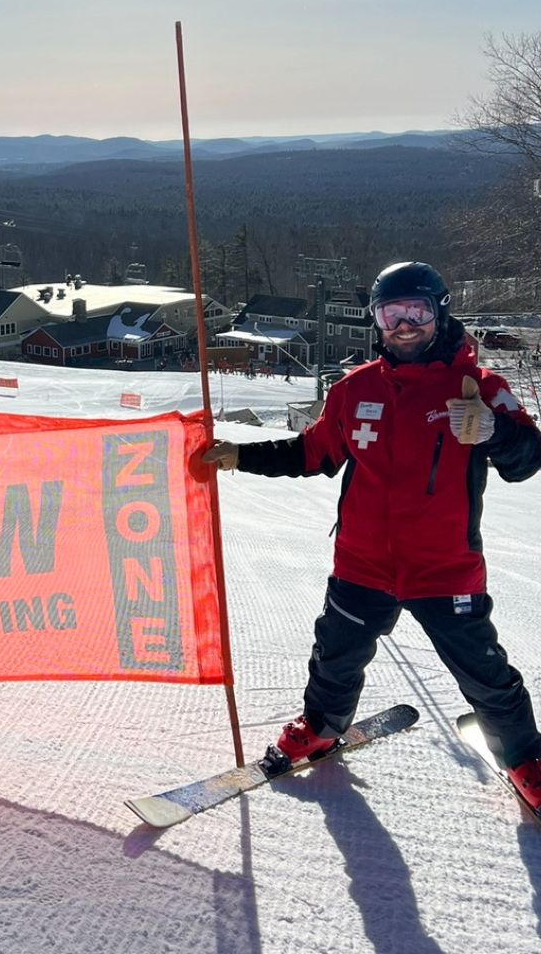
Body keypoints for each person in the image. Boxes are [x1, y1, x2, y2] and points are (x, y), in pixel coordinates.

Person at [203, 261, 541, 809]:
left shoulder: (478, 388)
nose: (404, 326)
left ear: (439, 314)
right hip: (362, 563)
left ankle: (527, 760)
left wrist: (494, 430)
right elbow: (313, 452)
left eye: (416, 313)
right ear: (376, 321)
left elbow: (527, 461)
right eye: (391, 315)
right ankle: (321, 727)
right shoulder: (355, 388)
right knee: (335, 656)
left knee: (485, 673)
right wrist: (240, 456)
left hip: (444, 568)